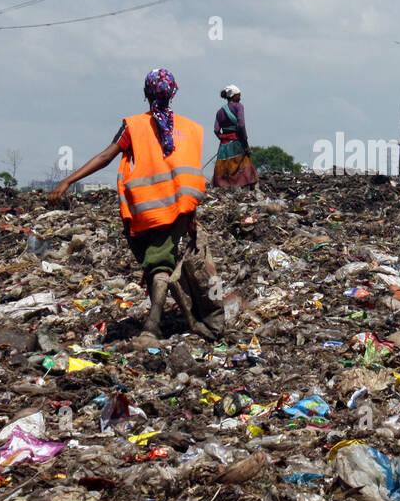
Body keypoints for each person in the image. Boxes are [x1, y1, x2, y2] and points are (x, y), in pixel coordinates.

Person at [48, 69, 206, 338]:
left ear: (146, 94)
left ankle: (152, 326)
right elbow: (188, 172)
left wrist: (68, 181)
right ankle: (177, 313)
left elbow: (105, 157)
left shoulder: (134, 126)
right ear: (173, 93)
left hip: (146, 211)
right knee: (160, 261)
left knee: (158, 264)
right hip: (180, 209)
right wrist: (191, 215)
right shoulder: (191, 129)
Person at [212, 85, 259, 189]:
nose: (240, 98)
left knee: (225, 169)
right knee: (245, 170)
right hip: (237, 142)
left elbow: (216, 130)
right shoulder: (239, 106)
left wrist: (223, 138)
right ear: (233, 96)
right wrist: (246, 144)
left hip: (224, 146)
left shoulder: (220, 112)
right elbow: (241, 125)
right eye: (239, 95)